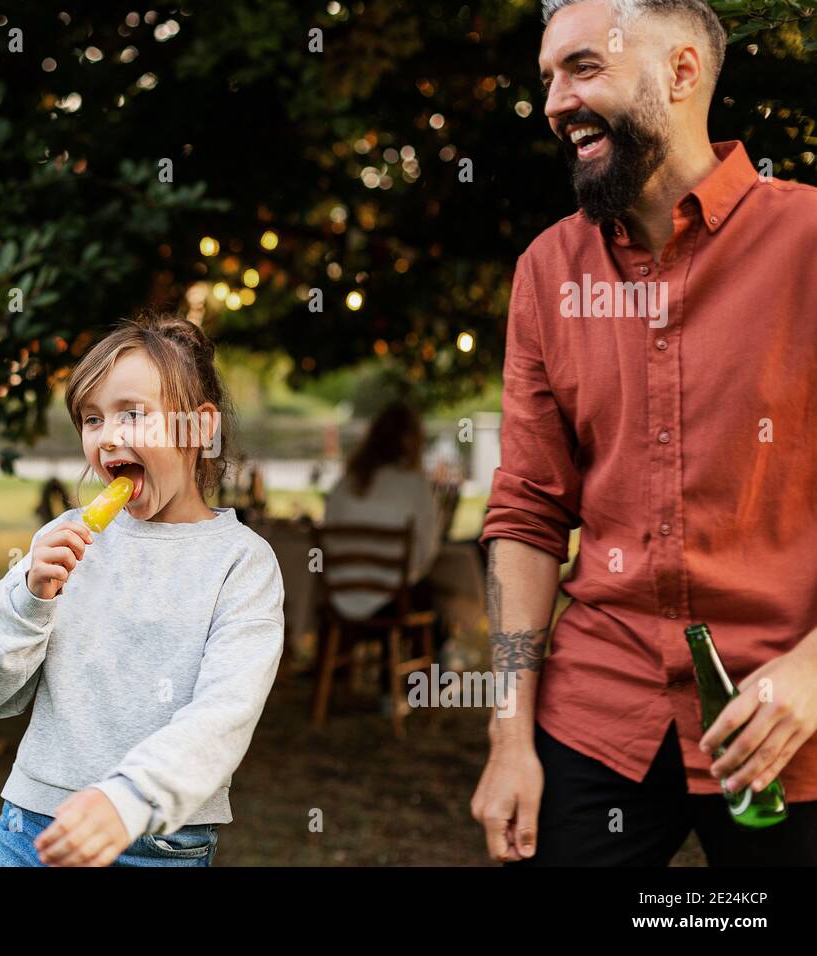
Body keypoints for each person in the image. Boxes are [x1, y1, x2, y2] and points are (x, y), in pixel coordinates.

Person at [471, 0, 817, 866]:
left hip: (791, 717)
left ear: (683, 71)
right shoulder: (548, 271)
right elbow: (526, 514)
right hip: (600, 713)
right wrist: (510, 739)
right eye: (548, 78)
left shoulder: (809, 241)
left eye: (583, 68)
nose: (554, 101)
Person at [0, 311, 285, 867]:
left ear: (200, 429)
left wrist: (127, 799)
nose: (109, 438)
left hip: (157, 845)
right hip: (30, 828)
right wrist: (30, 601)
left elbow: (223, 717)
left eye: (132, 414)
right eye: (92, 419)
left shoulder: (242, 564)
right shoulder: (64, 540)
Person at [321, 401, 445, 622]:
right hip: (393, 598)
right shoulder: (415, 485)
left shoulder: (346, 482)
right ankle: (432, 656)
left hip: (338, 594)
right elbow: (426, 552)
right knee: (436, 595)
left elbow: (327, 535)